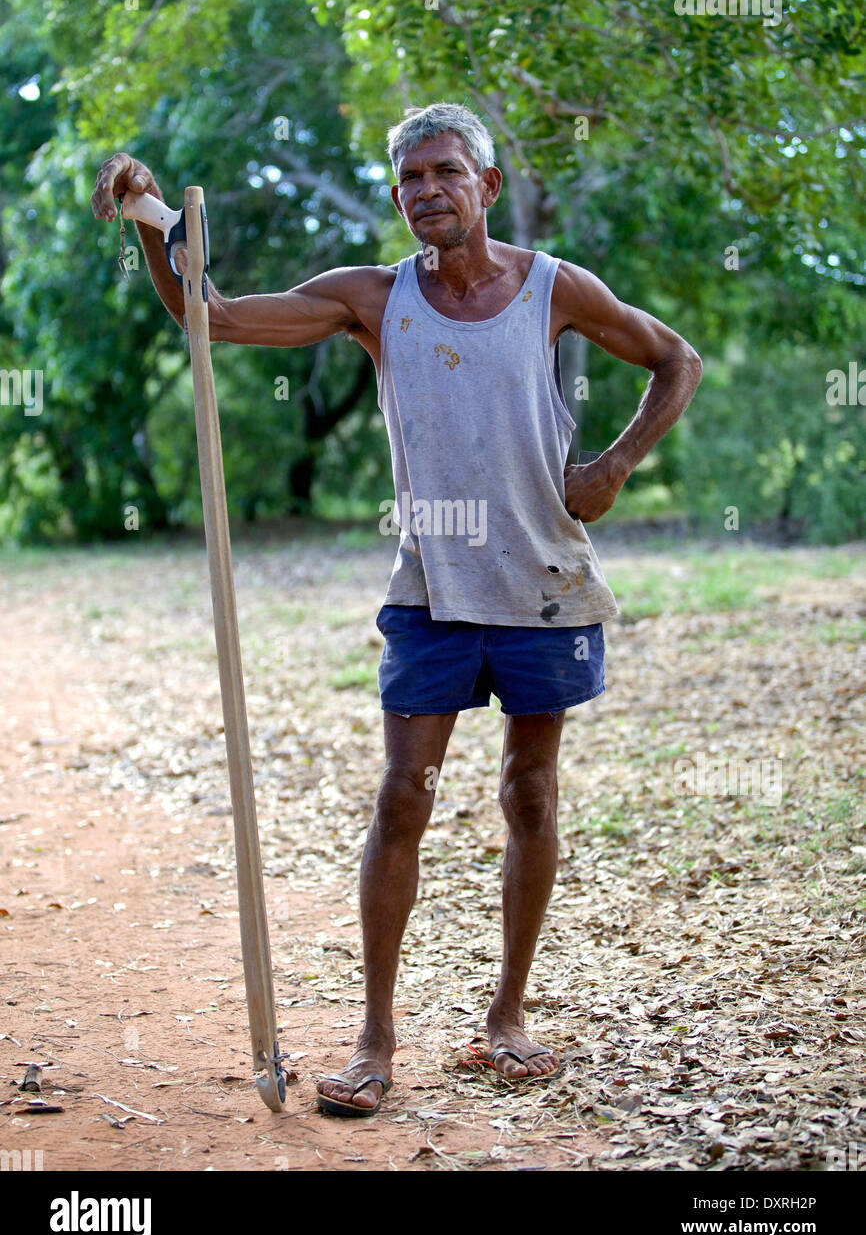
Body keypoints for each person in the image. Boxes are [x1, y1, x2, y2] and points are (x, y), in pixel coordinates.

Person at [91, 102, 701, 1119]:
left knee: (531, 795)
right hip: (432, 590)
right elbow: (214, 313)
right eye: (410, 179)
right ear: (396, 198)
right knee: (402, 795)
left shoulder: (551, 288)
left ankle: (505, 1017)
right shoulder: (374, 300)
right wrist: (154, 222)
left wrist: (613, 463)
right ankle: (374, 1039)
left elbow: (672, 356)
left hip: (542, 585)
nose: (427, 190)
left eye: (445, 172)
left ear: (486, 186)